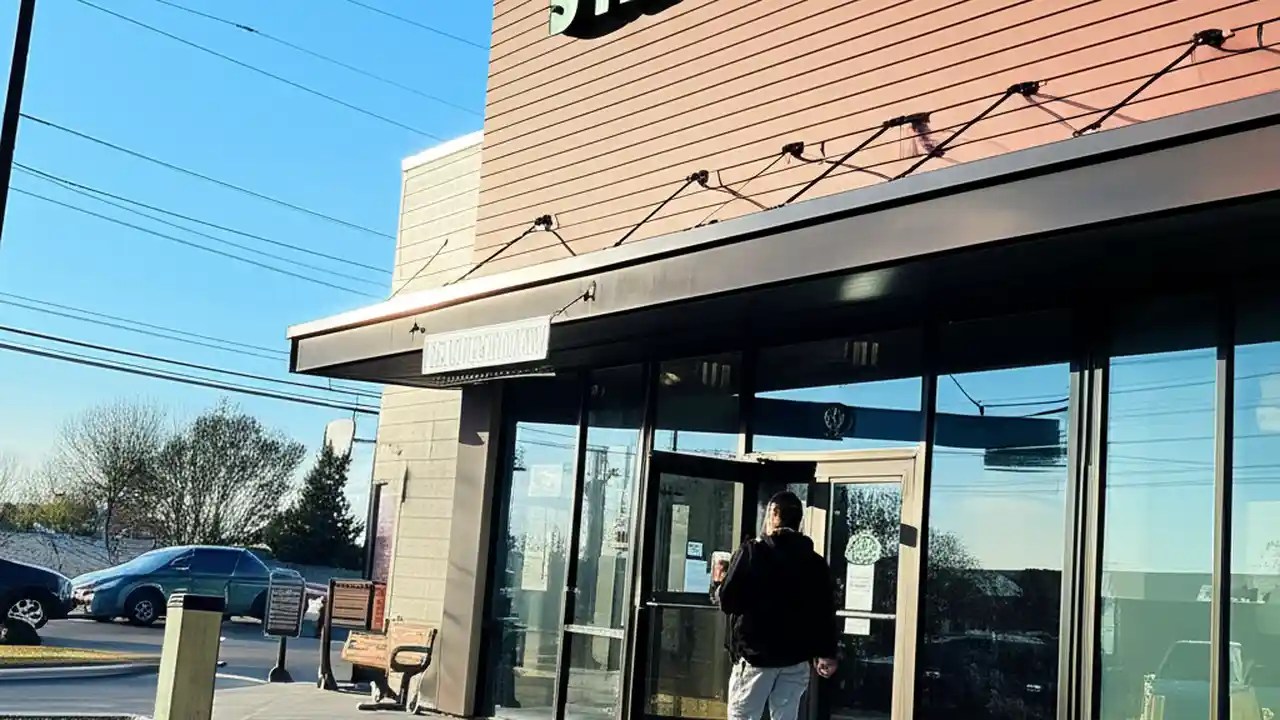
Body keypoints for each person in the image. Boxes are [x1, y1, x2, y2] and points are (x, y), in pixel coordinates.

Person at [717, 491, 839, 720]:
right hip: (796, 658)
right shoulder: (814, 562)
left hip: (757, 656)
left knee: (743, 715)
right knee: (786, 716)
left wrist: (718, 582)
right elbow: (824, 610)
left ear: (774, 514)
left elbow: (728, 600)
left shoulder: (752, 552)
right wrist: (827, 652)